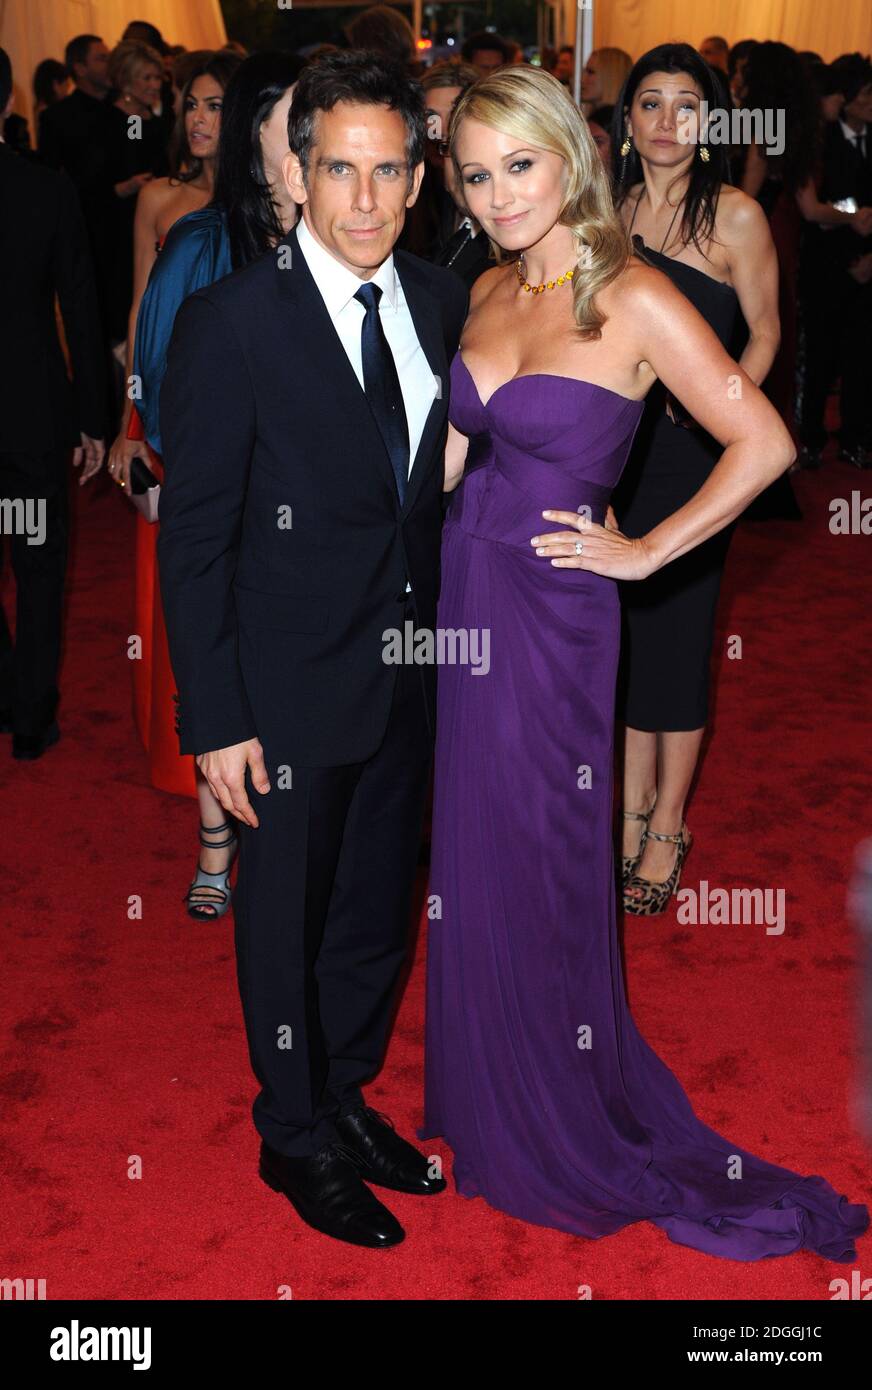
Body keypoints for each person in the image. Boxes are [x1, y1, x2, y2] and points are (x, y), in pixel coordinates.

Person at [418, 61, 869, 1263]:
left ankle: (558, 1110)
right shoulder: (486, 287)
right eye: (475, 173)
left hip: (556, 622)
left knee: (541, 848)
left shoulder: (633, 295)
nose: (500, 192)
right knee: (469, 847)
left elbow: (761, 439)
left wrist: (645, 550)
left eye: (519, 163)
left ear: (567, 151)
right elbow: (453, 464)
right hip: (464, 600)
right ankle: (484, 1091)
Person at [157, 51, 469, 1247]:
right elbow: (193, 542)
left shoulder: (441, 301)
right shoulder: (231, 322)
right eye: (339, 168)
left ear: (416, 173)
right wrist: (215, 717)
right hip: (283, 693)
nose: (365, 200)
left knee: (373, 916)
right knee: (282, 920)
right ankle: (290, 1134)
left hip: (408, 677)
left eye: (389, 170)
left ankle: (338, 1097)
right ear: (297, 170)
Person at [108, 51, 303, 922]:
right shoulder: (198, 240)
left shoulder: (344, 233)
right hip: (226, 500)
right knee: (219, 668)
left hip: (314, 513)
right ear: (255, 130)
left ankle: (289, 834)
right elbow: (158, 368)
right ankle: (215, 840)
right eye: (294, 117)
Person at [610, 44, 780, 908]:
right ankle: (629, 806)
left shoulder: (738, 217)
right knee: (624, 641)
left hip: (697, 460)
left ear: (709, 121)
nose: (669, 120)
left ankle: (668, 821)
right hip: (612, 454)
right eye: (651, 102)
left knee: (677, 640)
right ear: (628, 118)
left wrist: (724, 411)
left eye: (687, 103)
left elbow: (766, 330)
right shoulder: (608, 208)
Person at [107, 50, 242, 809]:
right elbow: (137, 315)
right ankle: (176, 752)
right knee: (170, 589)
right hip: (160, 417)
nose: (197, 118)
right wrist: (125, 423)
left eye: (215, 104)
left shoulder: (271, 209)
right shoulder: (157, 198)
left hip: (236, 420)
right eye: (190, 103)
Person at [0, 47, 105, 759]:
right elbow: (82, 307)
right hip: (30, 418)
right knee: (38, 567)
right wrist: (95, 416)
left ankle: (12, 691)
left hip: (30, 420)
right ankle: (31, 715)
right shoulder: (44, 190)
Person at [799, 53, 872, 469]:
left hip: (868, 269)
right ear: (846, 98)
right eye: (865, 93)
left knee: (862, 358)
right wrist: (850, 221)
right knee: (821, 357)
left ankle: (855, 438)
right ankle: (810, 438)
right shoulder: (820, 141)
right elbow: (812, 209)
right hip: (825, 267)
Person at [104, 41, 173, 348]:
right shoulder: (118, 119)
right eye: (146, 78)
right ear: (127, 79)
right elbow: (103, 179)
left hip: (159, 219)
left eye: (156, 77)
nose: (154, 84)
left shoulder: (153, 118)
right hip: (123, 226)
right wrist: (130, 185)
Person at [580, 47, 632, 119]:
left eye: (591, 72)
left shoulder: (606, 121)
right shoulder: (619, 117)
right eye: (585, 71)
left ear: (610, 77)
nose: (582, 79)